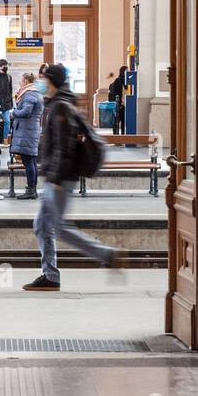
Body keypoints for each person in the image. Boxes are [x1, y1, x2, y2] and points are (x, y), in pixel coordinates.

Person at [23, 63, 122, 290]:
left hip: (60, 179)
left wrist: (56, 179)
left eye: (43, 79)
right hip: (55, 176)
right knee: (41, 225)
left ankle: (108, 255)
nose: (39, 83)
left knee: (57, 226)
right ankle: (50, 276)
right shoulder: (56, 104)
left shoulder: (60, 108)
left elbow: (64, 147)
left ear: (52, 81)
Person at [9, 70, 44, 200]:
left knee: (28, 160)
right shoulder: (35, 93)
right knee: (31, 160)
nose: (20, 83)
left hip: (27, 131)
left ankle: (31, 190)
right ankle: (32, 189)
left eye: (21, 80)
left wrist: (14, 113)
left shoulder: (29, 94)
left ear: (26, 81)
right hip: (29, 130)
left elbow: (26, 111)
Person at [0, 58, 14, 141]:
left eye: (6, 66)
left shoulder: (9, 77)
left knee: (7, 122)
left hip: (6, 104)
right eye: (4, 66)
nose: (6, 67)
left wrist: (11, 105)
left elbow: (10, 91)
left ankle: (5, 139)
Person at [107, 65, 127, 135]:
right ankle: (117, 137)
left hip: (121, 104)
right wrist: (118, 104)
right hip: (119, 105)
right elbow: (115, 94)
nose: (128, 73)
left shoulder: (124, 81)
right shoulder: (119, 81)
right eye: (126, 71)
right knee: (117, 121)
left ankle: (120, 137)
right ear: (123, 72)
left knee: (121, 121)